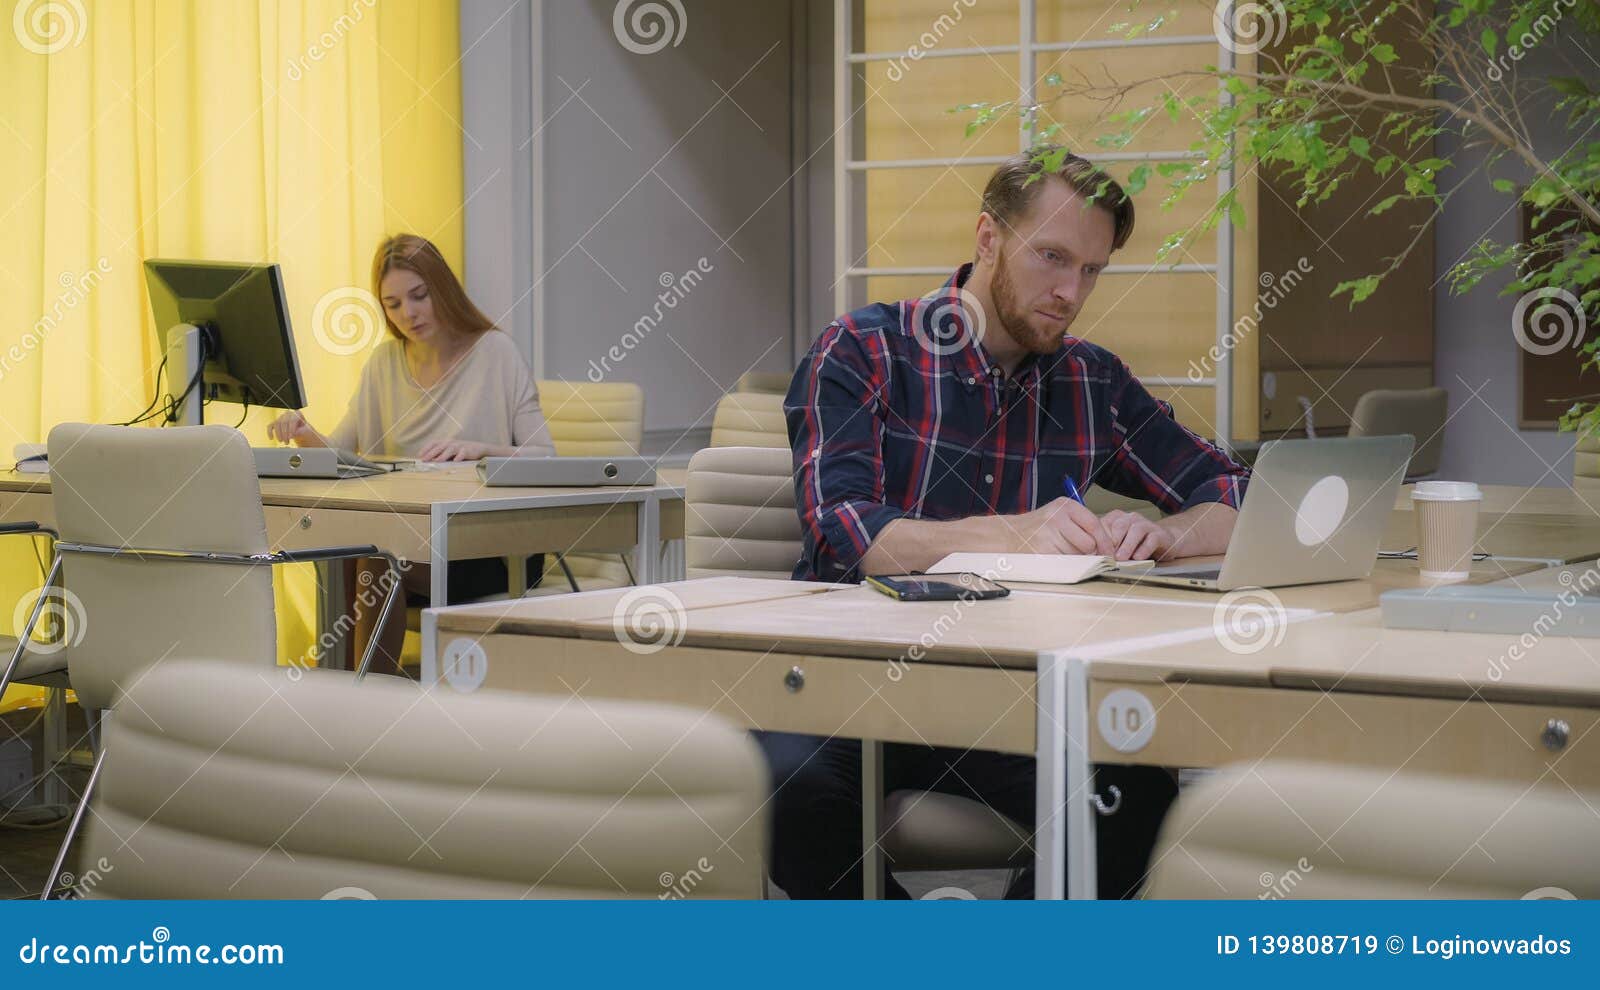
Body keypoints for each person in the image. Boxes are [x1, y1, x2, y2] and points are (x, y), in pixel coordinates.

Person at [772, 147, 1251, 898]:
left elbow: (1232, 487)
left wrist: (1171, 534)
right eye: (1052, 257)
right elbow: (847, 531)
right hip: (845, 689)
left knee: (1138, 800)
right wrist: (1015, 532)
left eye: (1091, 271)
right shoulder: (863, 349)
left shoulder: (1094, 382)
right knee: (788, 793)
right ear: (988, 239)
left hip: (1003, 698)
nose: (1070, 292)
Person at [269, 234, 557, 673]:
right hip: (410, 546)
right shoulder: (384, 363)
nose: (409, 314)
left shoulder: (497, 353)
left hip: (490, 548)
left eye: (419, 296)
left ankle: (369, 701)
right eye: (394, 304)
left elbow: (544, 457)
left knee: (377, 554)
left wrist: (481, 449)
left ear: (443, 287)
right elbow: (341, 456)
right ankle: (340, 695)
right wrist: (303, 433)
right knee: (345, 548)